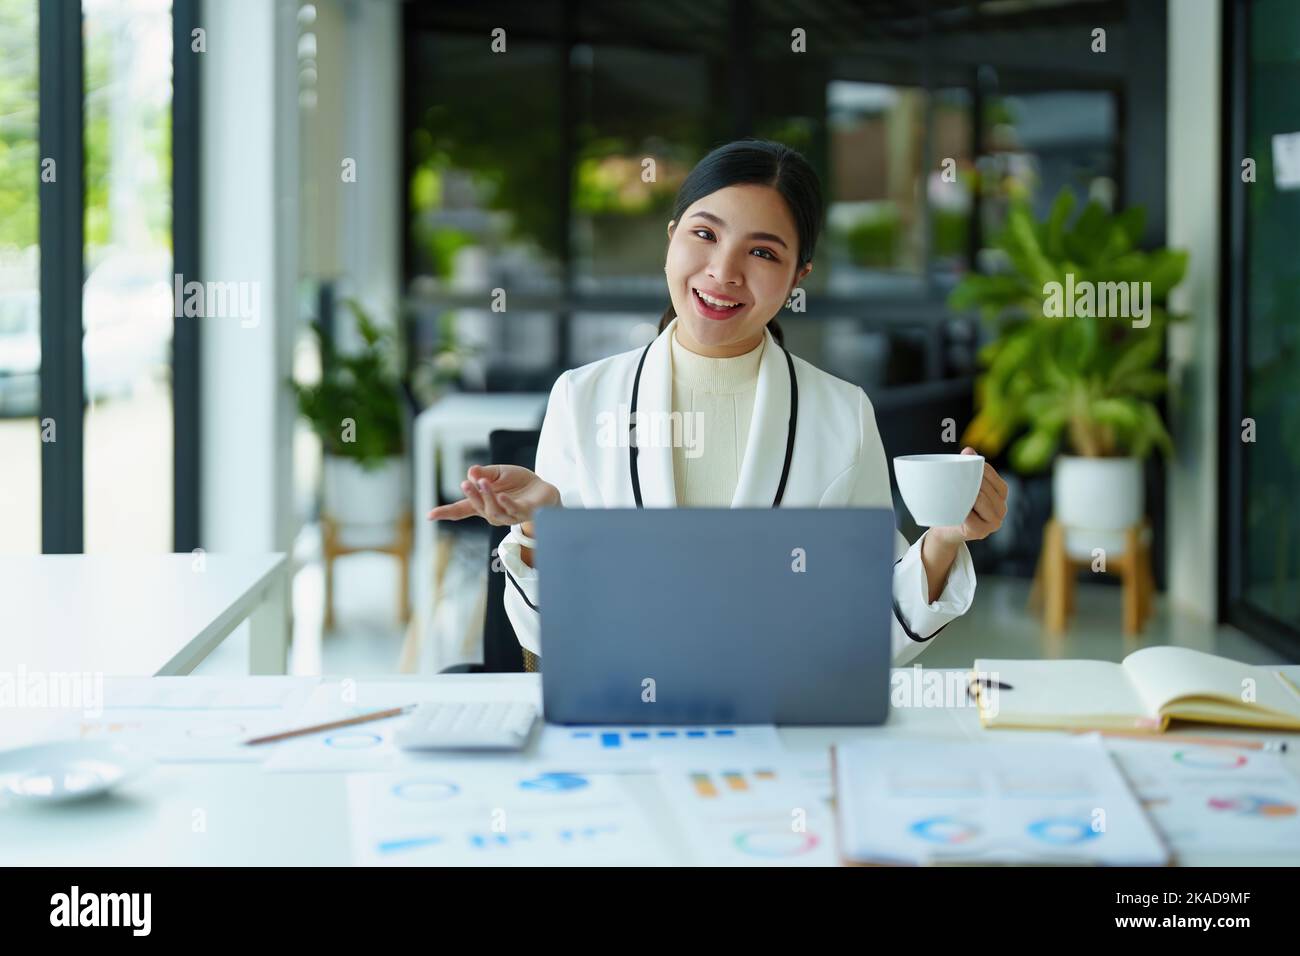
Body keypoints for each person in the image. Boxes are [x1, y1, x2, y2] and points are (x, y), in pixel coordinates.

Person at [429, 139, 1008, 670]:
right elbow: (547, 639)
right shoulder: (583, 400)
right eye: (704, 235)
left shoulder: (841, 413)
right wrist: (537, 529)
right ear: (671, 238)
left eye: (762, 252)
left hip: (780, 726)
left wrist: (943, 541)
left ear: (797, 276)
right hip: (624, 723)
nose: (723, 272)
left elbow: (868, 632)